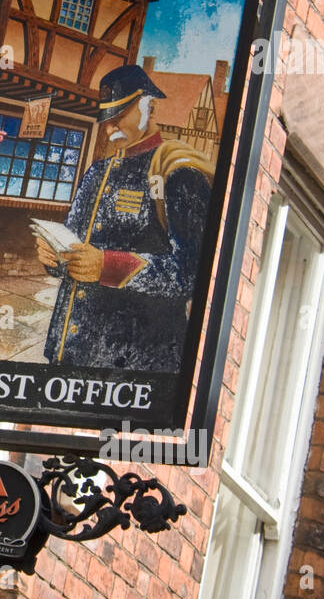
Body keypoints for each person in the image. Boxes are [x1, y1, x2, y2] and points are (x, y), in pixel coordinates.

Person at [37, 64, 213, 372]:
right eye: (106, 119)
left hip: (136, 362)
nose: (109, 128)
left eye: (119, 116)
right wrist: (53, 258)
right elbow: (74, 244)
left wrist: (107, 266)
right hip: (72, 351)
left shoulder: (179, 173)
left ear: (150, 106)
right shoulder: (97, 172)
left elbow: (191, 274)